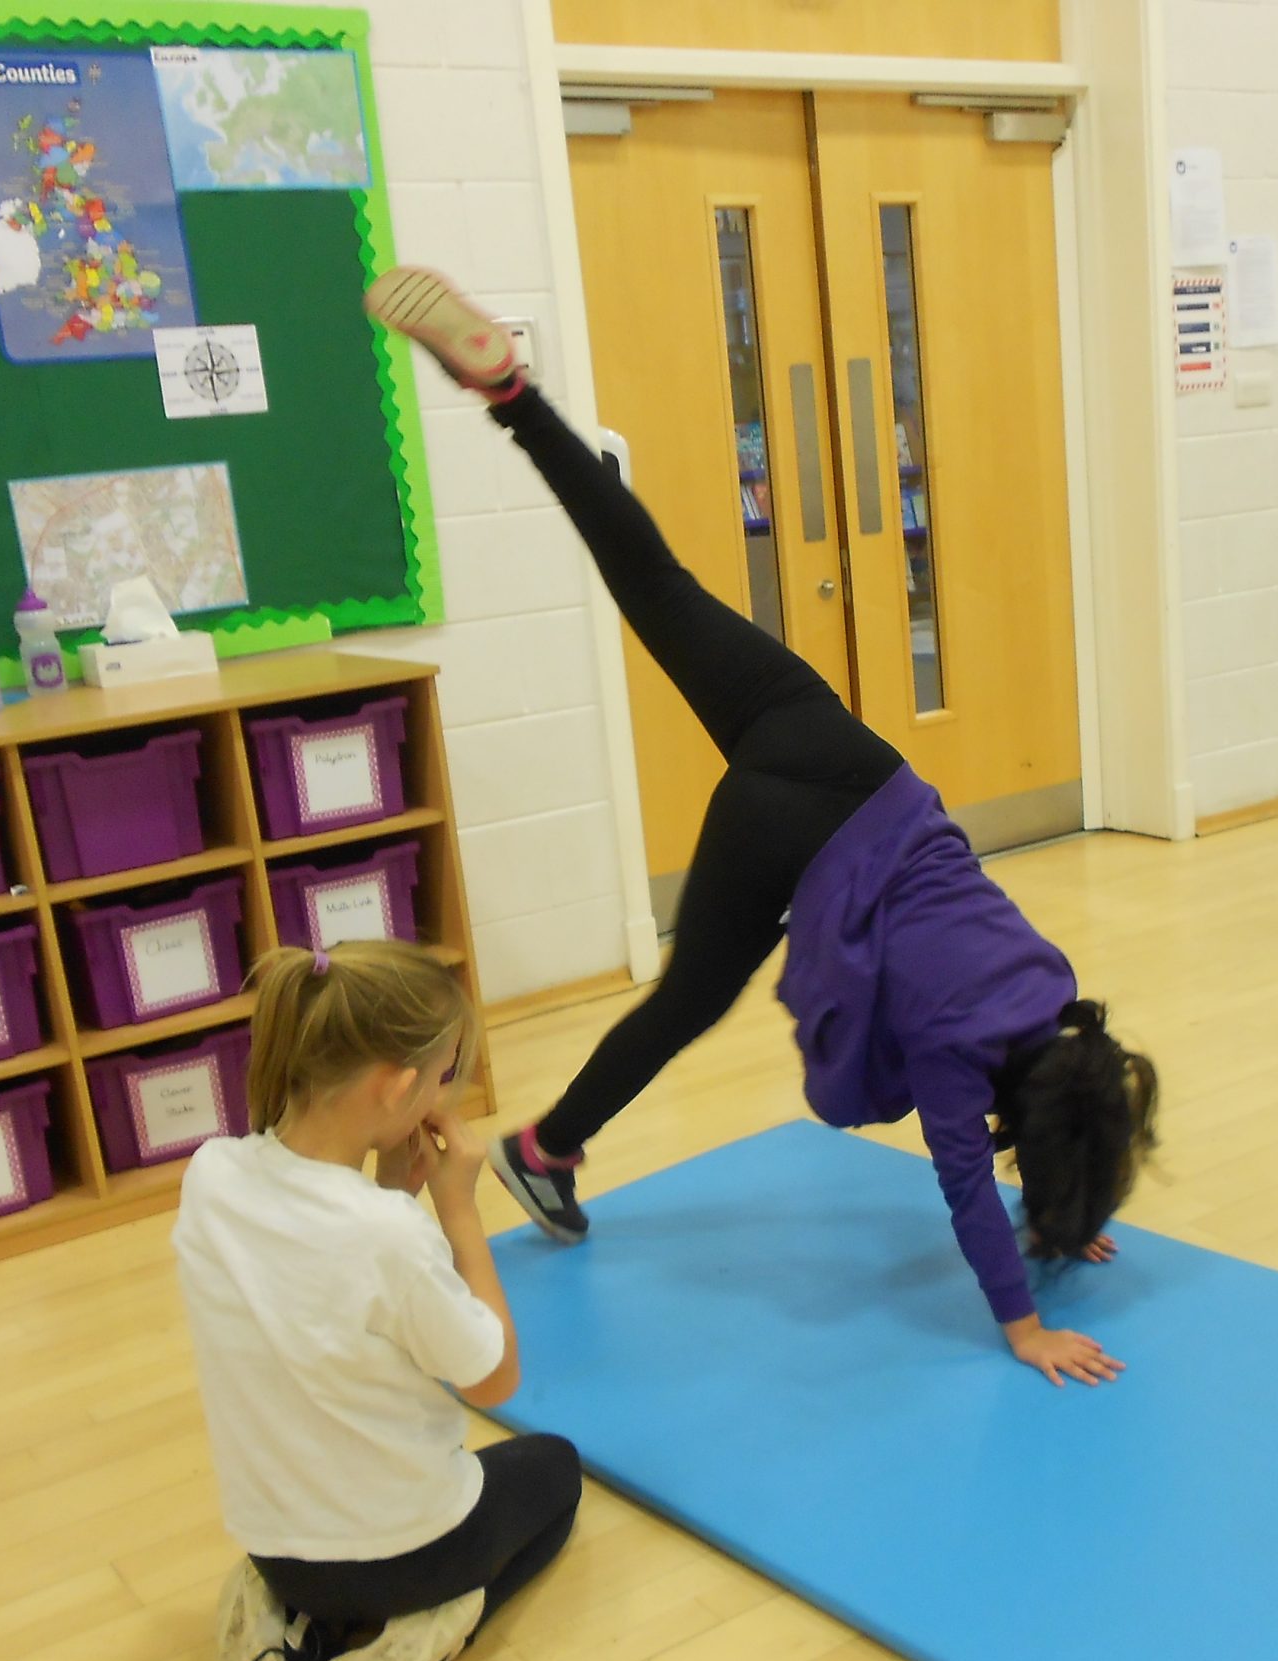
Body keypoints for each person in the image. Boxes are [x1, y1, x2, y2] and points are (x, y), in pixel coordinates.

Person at [365, 265, 1159, 1389]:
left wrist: (1069, 1209)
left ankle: (514, 401)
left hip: (842, 752)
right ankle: (544, 1150)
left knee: (656, 582)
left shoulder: (1055, 988)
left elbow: (1030, 1118)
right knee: (690, 996)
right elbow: (966, 1188)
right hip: (799, 831)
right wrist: (1021, 1322)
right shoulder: (953, 1056)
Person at [175, 942, 580, 1661]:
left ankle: (282, 1624)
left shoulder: (211, 1176)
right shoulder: (388, 1234)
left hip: (278, 1553)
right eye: (441, 1081)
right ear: (398, 1087)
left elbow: (324, 1291)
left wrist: (387, 1189)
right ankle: (428, 1624)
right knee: (554, 1470)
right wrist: (456, 1207)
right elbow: (494, 1375)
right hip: (409, 1559)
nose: (445, 1099)